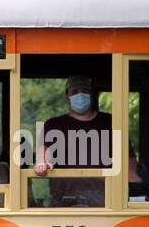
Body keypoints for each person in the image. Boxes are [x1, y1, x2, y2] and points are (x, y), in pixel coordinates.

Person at [34, 74, 112, 207]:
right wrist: (42, 163)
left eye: (85, 91)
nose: (80, 95)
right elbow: (43, 155)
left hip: (105, 203)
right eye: (75, 91)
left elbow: (128, 165)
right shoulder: (54, 125)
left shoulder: (109, 122)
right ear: (67, 95)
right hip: (64, 203)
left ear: (92, 94)